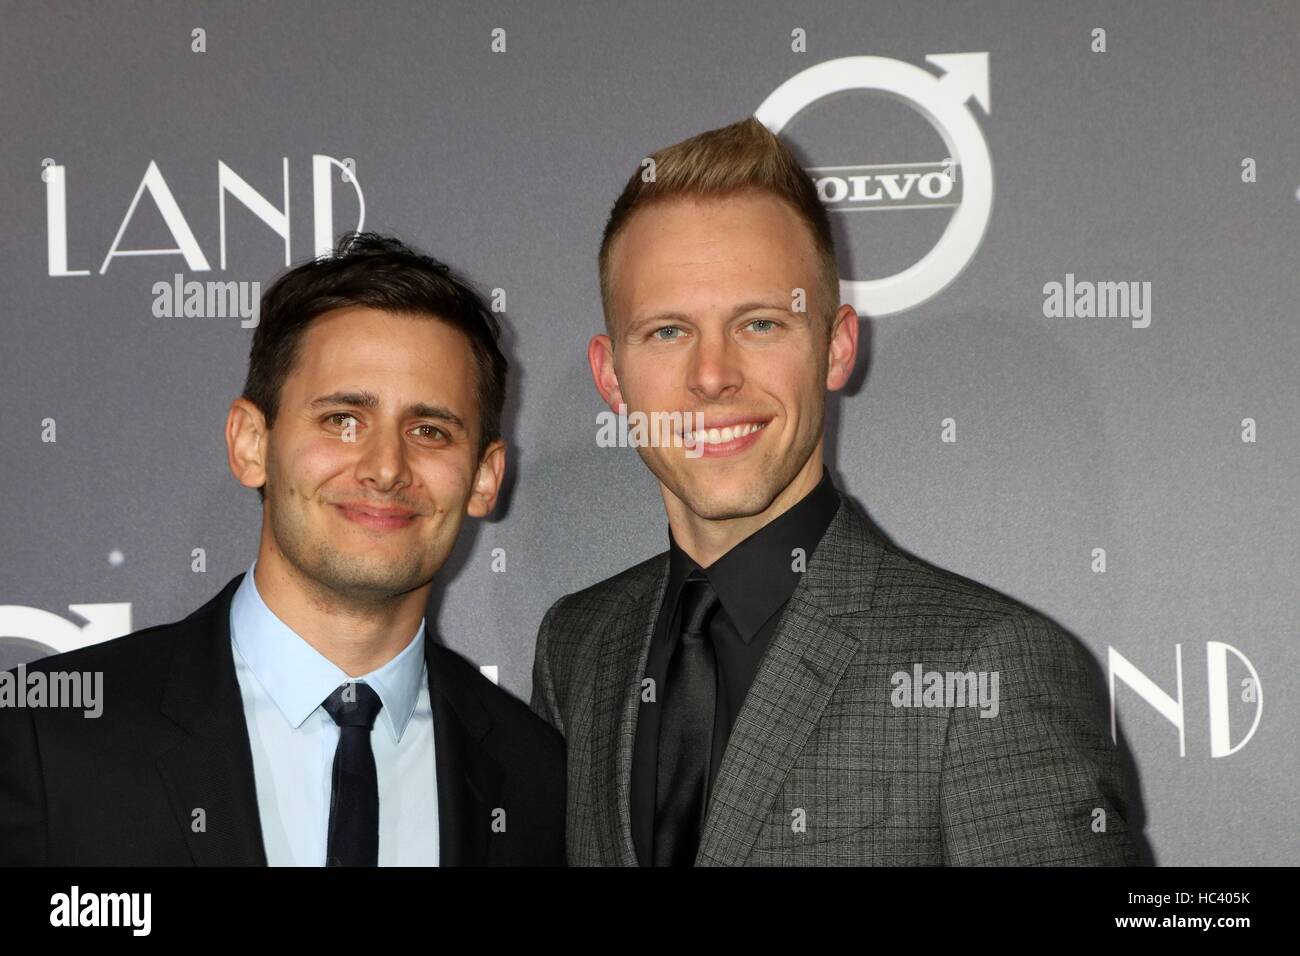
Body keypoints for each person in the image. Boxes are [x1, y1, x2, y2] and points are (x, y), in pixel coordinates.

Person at [530, 118, 1140, 866]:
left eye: (758, 323)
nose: (713, 374)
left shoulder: (987, 669)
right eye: (666, 332)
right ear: (611, 376)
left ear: (837, 347)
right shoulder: (578, 646)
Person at [0, 233, 564, 866]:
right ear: (250, 444)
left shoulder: (540, 781)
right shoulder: (49, 740)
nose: (385, 469)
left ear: (485, 478)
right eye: (341, 420)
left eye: (429, 430)